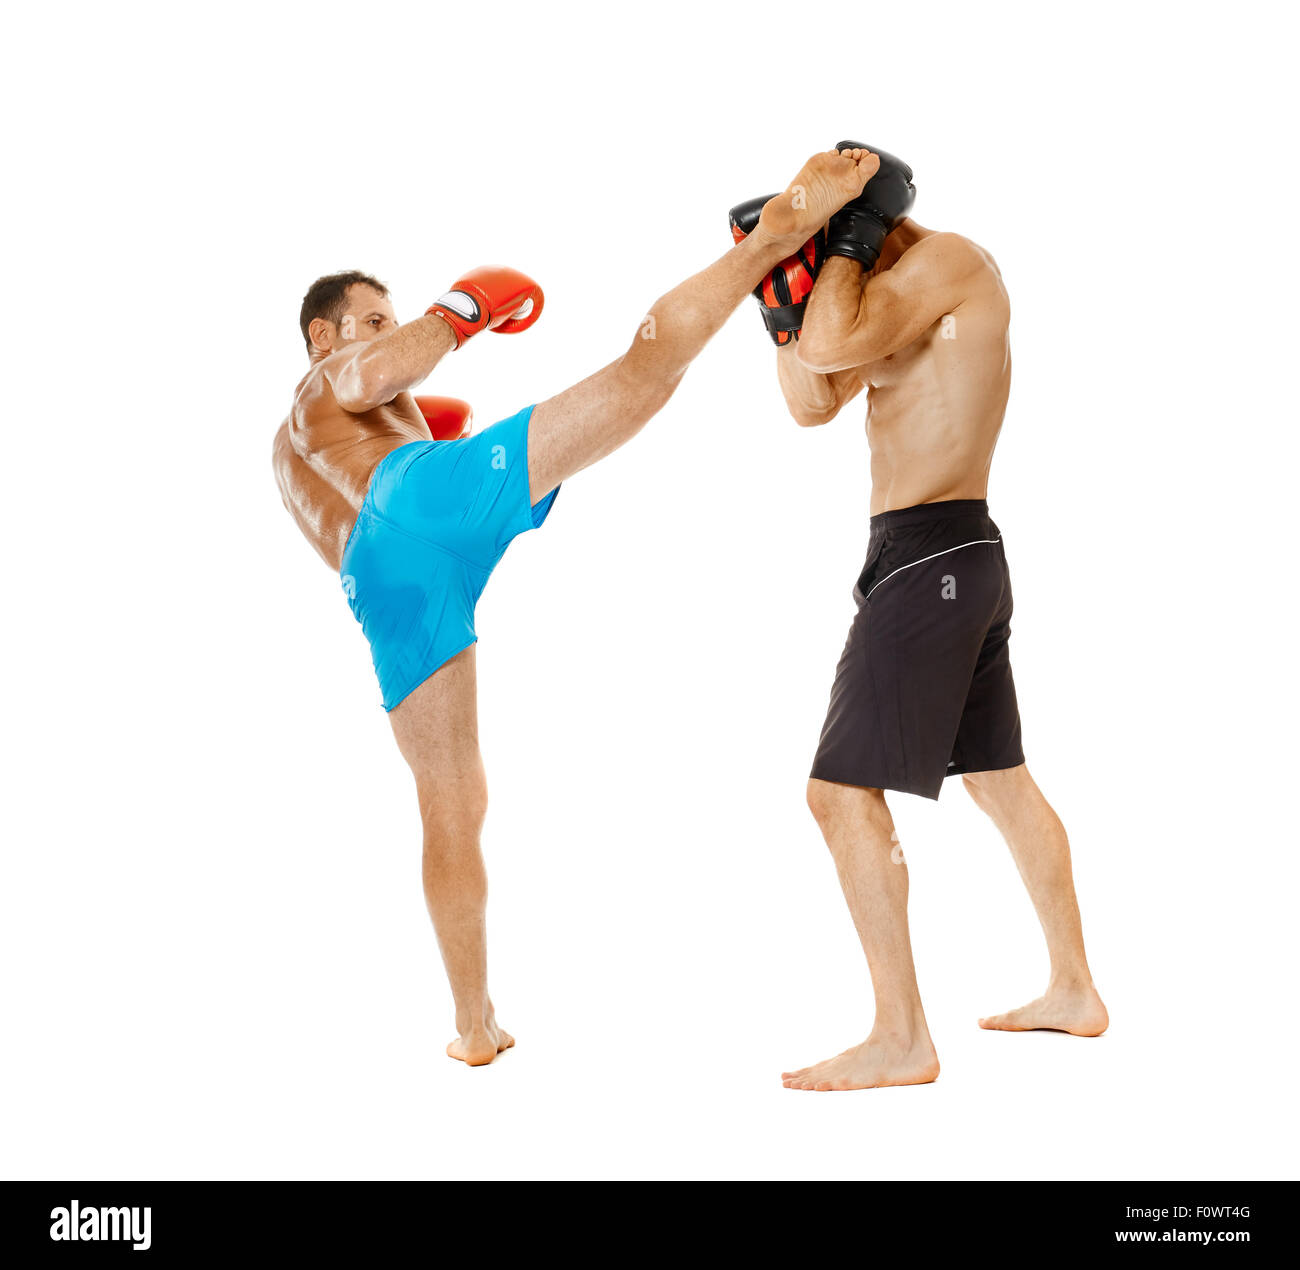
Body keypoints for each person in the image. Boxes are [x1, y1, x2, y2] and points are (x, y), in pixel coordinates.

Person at [273, 146, 882, 1067]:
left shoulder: (288, 450)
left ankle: (473, 1026)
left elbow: (372, 422)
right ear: (323, 336)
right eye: (368, 319)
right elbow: (366, 380)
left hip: (380, 583)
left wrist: (427, 417)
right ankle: (780, 232)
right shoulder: (329, 379)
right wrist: (458, 310)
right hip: (412, 506)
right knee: (642, 371)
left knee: (453, 801)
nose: (383, 333)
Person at [732, 142, 1108, 1092]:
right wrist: (777, 305)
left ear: (866, 210)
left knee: (835, 793)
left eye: (821, 227)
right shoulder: (873, 301)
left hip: (938, 552)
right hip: (932, 557)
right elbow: (811, 400)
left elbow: (830, 346)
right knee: (1000, 780)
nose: (814, 245)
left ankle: (901, 1035)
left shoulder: (949, 263)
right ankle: (1074, 990)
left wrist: (844, 239)